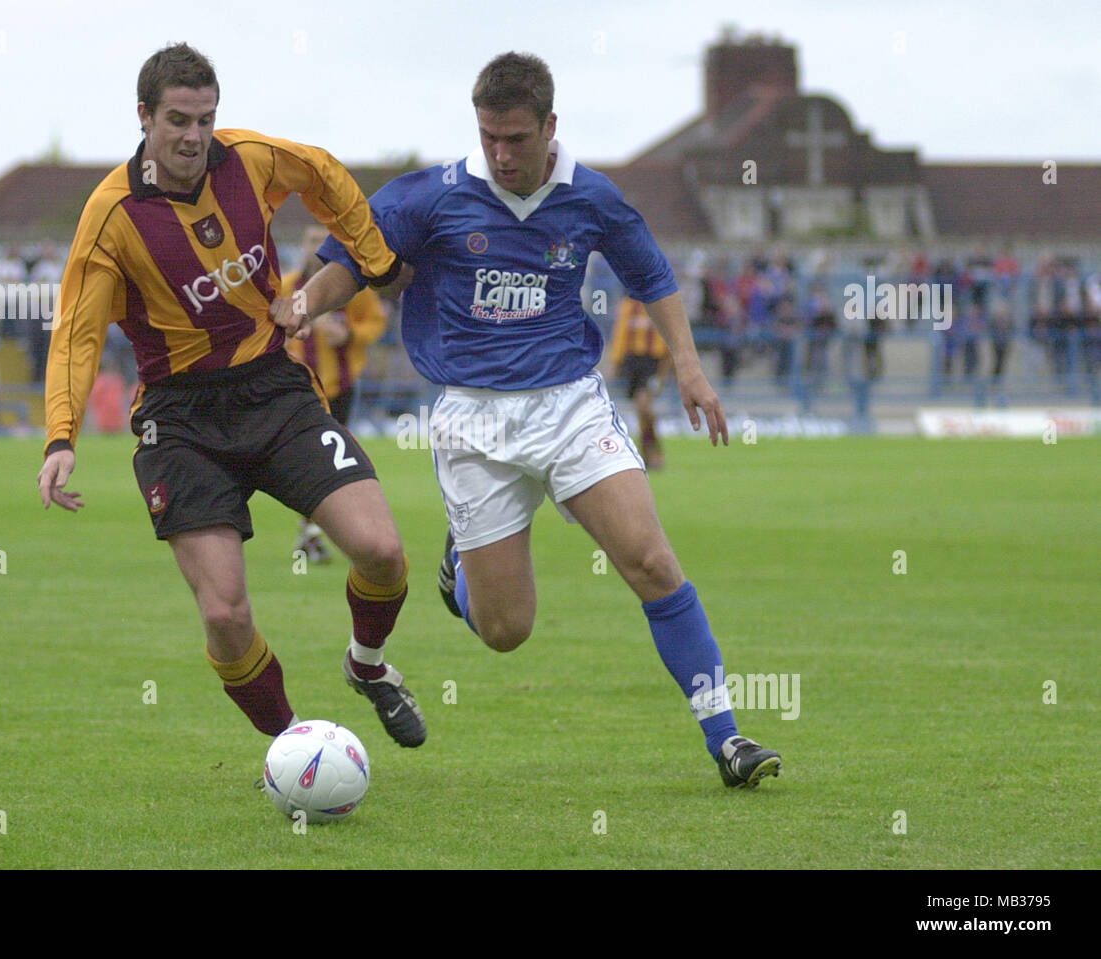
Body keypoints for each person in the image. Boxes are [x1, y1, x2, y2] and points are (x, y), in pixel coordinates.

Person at [302, 52, 780, 788]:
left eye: (517, 138)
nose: (501, 153)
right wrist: (298, 306)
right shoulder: (430, 196)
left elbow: (651, 274)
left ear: (550, 126)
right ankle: (460, 566)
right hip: (474, 423)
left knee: (651, 561)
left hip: (569, 406)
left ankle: (728, 737)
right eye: (489, 136)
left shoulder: (591, 196)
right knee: (505, 632)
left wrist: (687, 363)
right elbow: (350, 261)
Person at [37, 42, 426, 752]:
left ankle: (367, 667)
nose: (193, 136)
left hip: (273, 388)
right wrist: (60, 436)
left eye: (205, 119)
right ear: (144, 117)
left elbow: (326, 174)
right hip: (180, 420)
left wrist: (376, 258)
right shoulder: (112, 215)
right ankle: (295, 745)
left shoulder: (248, 158)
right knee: (224, 612)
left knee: (383, 551)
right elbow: (77, 333)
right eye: (178, 120)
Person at [282, 224, 389, 562]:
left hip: (341, 385)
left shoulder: (352, 287)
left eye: (322, 241)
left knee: (331, 456)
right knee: (311, 455)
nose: (316, 248)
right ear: (303, 245)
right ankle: (313, 532)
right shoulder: (288, 286)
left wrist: (350, 335)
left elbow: (375, 322)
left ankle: (313, 532)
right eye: (311, 241)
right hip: (299, 385)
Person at [606, 296, 671, 469]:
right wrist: (615, 362)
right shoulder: (628, 305)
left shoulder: (658, 304)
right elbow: (620, 334)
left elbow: (667, 339)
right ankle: (651, 450)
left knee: (643, 406)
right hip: (631, 362)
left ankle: (650, 453)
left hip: (651, 362)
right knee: (642, 410)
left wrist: (663, 372)